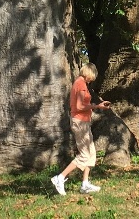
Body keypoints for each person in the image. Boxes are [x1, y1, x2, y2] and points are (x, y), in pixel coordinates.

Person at [51, 63, 111, 196]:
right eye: (93, 76)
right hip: (80, 122)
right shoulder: (81, 84)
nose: (92, 79)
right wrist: (97, 106)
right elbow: (79, 106)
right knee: (84, 155)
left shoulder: (79, 83)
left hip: (83, 122)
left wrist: (95, 106)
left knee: (92, 153)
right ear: (89, 73)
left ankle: (85, 184)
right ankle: (60, 178)